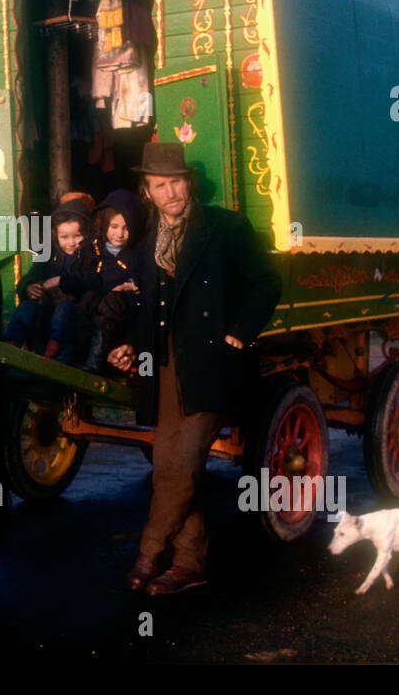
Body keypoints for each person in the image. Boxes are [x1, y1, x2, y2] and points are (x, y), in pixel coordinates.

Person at [108, 142, 282, 596]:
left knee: (183, 464)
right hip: (163, 367)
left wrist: (239, 332)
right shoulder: (147, 248)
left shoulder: (225, 227)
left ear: (189, 182)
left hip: (211, 366)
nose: (171, 193)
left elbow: (267, 281)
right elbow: (147, 310)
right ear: (147, 191)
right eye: (160, 185)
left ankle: (149, 552)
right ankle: (189, 562)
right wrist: (129, 345)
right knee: (168, 463)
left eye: (177, 182)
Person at [62, 188, 148, 373]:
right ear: (104, 225)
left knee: (112, 301)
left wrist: (136, 286)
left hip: (126, 308)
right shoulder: (92, 246)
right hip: (96, 305)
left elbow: (149, 279)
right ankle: (71, 356)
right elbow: (73, 278)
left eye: (126, 227)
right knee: (85, 301)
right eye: (114, 226)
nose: (119, 233)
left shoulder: (140, 251)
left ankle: (95, 361)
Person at [4, 197, 93, 362]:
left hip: (73, 314)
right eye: (64, 237)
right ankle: (12, 343)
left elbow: (91, 280)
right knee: (26, 307)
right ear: (56, 235)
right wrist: (29, 287)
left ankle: (52, 351)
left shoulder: (90, 255)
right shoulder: (49, 253)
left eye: (77, 236)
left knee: (64, 309)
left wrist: (61, 281)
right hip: (45, 311)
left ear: (86, 234)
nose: (71, 243)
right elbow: (32, 274)